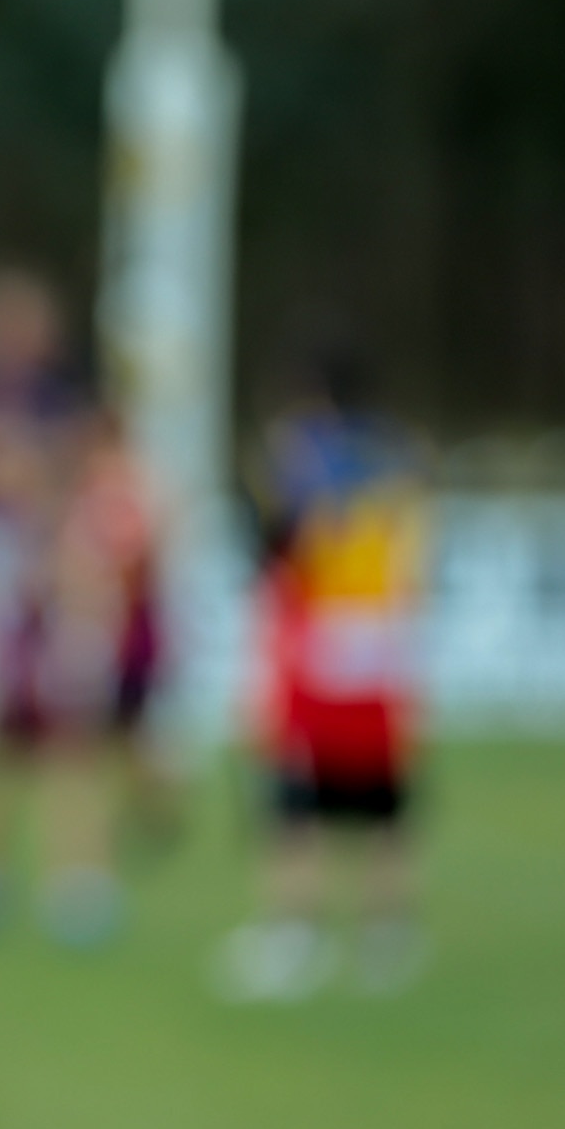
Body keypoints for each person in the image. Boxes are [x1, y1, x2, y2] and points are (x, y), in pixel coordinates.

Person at [0, 271, 161, 946]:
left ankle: (76, 883)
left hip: (54, 581)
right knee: (0, 746)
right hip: (0, 584)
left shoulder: (56, 403)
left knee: (72, 742)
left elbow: (70, 469)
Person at [218, 352, 426, 1000]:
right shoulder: (397, 459)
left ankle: (296, 933)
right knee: (383, 800)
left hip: (316, 648)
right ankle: (388, 934)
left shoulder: (301, 462)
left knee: (295, 796)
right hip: (381, 650)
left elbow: (275, 548)